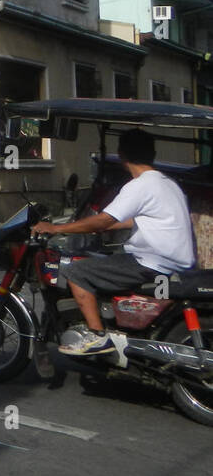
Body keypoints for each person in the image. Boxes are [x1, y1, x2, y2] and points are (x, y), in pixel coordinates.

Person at [32, 128, 195, 355]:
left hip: (151, 263)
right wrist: (102, 226)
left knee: (77, 271)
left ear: (122, 155)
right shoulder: (168, 183)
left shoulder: (139, 186)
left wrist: (56, 228)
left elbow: (103, 219)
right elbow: (136, 220)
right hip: (176, 262)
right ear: (153, 153)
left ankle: (98, 337)